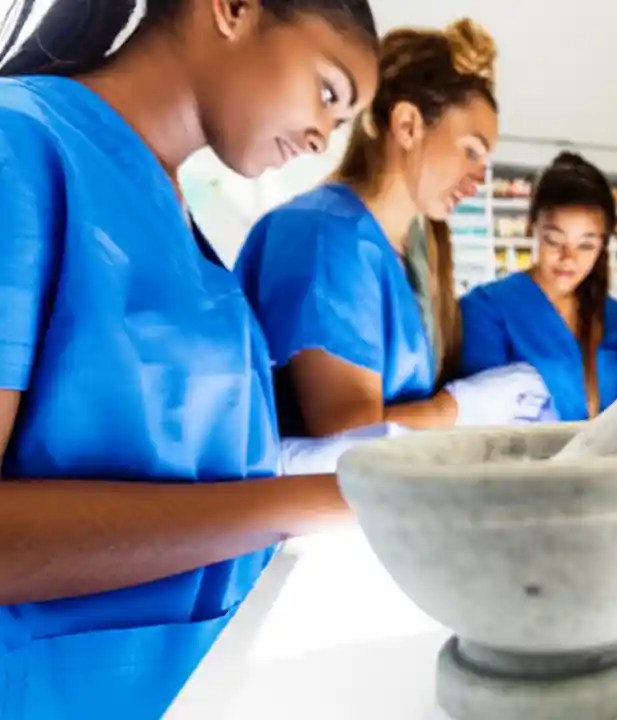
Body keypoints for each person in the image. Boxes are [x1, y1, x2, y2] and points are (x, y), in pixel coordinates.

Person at [0, 0, 383, 716]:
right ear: (233, 9)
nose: (324, 137)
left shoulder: (180, 223)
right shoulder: (19, 143)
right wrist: (330, 498)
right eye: (329, 92)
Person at [235, 20, 553, 439]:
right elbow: (346, 435)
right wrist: (458, 408)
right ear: (408, 126)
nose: (478, 178)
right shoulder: (324, 238)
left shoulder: (418, 251)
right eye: (471, 151)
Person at [459, 152, 617, 421]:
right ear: (532, 227)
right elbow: (482, 416)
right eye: (553, 240)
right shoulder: (487, 310)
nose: (568, 258)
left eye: (586, 245)